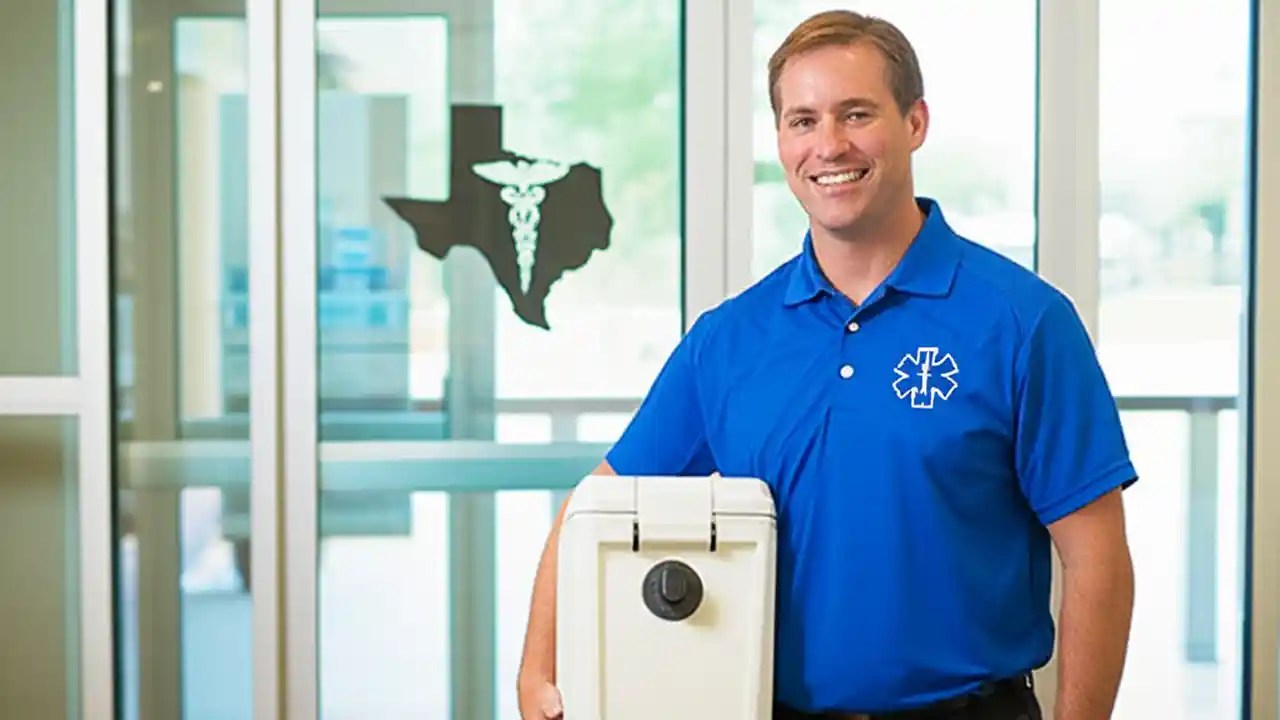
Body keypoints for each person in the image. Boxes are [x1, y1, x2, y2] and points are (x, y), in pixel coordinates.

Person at [517, 9, 1136, 719]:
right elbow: (594, 506)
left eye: (856, 114)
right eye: (802, 120)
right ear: (780, 139)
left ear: (915, 122)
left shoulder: (1023, 322)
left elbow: (1097, 559)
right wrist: (537, 674)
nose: (829, 145)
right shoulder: (730, 338)